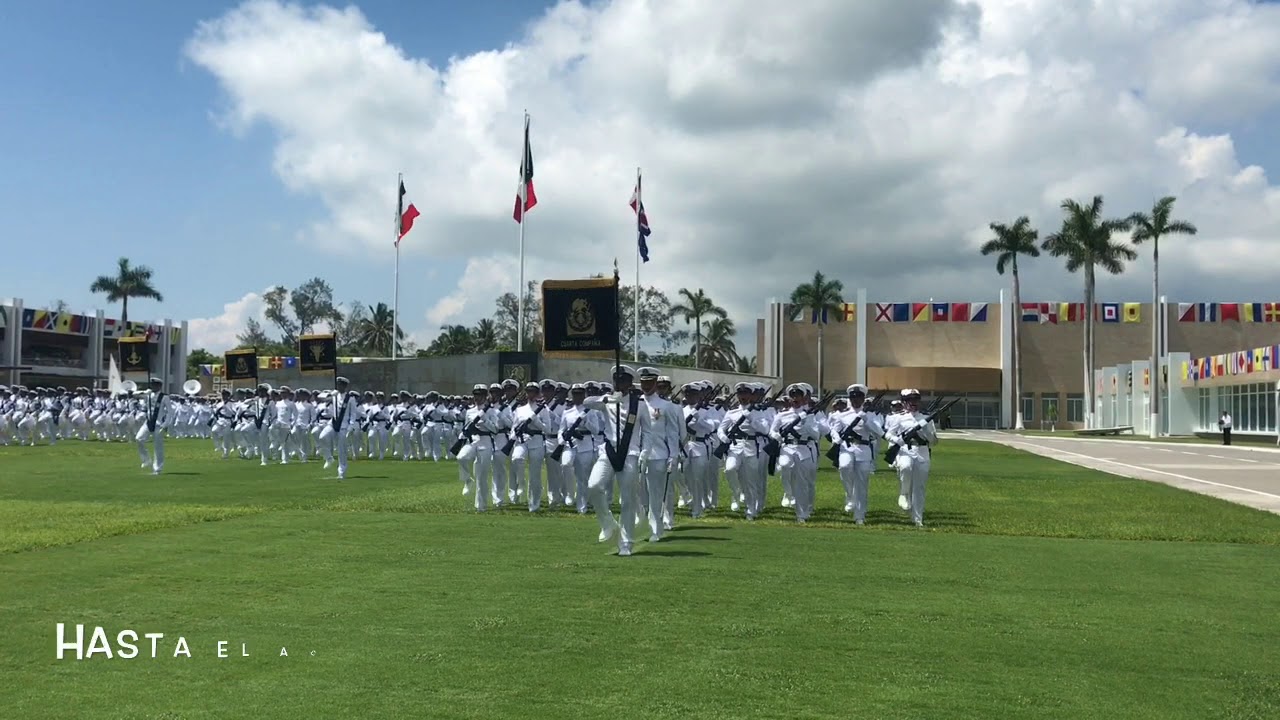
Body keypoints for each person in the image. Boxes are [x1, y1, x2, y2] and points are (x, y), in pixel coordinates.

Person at [583, 365, 651, 557]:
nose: (619, 384)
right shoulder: (606, 401)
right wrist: (606, 398)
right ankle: (607, 523)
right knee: (594, 486)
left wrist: (644, 453)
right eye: (616, 380)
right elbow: (586, 402)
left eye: (623, 381)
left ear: (630, 383)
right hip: (609, 452)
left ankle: (626, 542)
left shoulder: (640, 405)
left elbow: (648, 432)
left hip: (630, 453)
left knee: (627, 500)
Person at [884, 388, 939, 527]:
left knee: (919, 487)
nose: (913, 403)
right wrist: (898, 440)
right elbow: (888, 434)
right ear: (904, 403)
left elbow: (934, 441)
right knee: (905, 467)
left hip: (922, 451)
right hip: (905, 449)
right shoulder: (899, 418)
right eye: (909, 400)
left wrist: (926, 429)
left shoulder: (926, 418)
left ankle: (918, 518)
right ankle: (904, 493)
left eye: (915, 400)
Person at [135, 377, 173, 475]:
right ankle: (146, 460)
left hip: (159, 424)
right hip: (148, 422)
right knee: (139, 438)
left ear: (159, 386)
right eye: (152, 385)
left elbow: (170, 412)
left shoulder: (164, 397)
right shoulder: (148, 395)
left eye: (155, 385)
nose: (153, 386)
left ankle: (157, 468)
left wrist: (165, 425)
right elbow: (135, 395)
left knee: (158, 447)